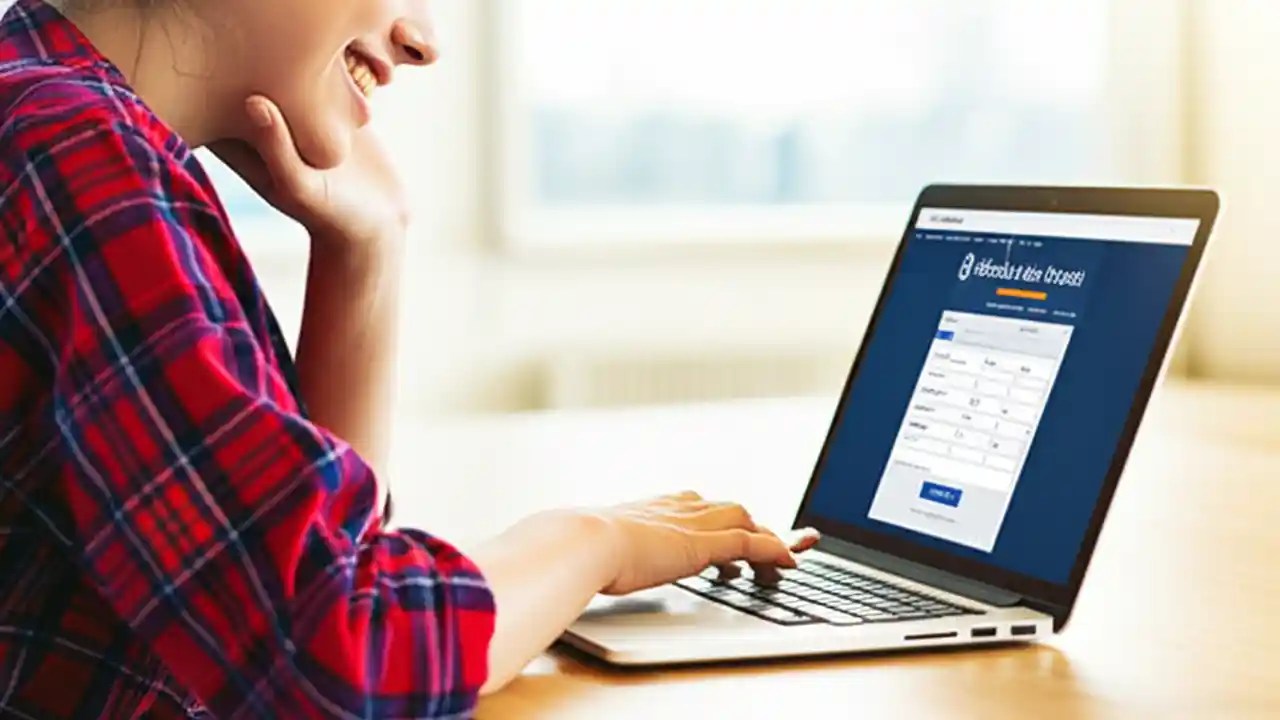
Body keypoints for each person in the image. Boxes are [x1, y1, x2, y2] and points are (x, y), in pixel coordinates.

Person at [0, 0, 819, 716]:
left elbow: (322, 568)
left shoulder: (47, 111)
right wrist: (590, 541)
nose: (423, 38)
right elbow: (343, 656)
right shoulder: (78, 157)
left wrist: (366, 251)